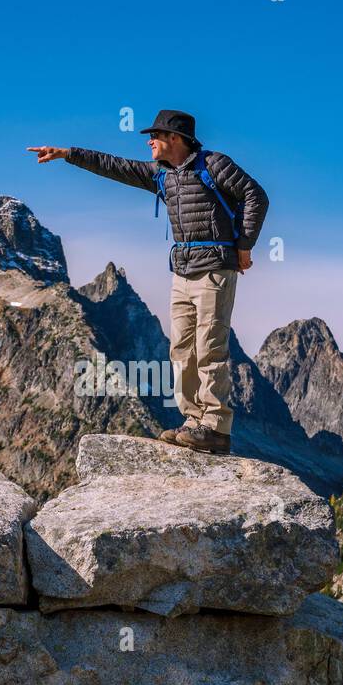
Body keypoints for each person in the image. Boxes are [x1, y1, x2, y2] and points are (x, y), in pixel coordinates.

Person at [29, 110, 268, 455]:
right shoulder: (162, 175)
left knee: (210, 347)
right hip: (182, 271)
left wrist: (244, 245)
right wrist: (68, 154)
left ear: (174, 137)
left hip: (215, 268)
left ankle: (215, 427)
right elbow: (114, 166)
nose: (149, 141)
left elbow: (256, 196)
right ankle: (193, 422)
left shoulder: (214, 164)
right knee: (182, 350)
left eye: (154, 135)